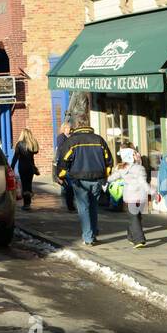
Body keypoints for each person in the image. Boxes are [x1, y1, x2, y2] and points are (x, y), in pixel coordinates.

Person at [56, 94, 114, 246]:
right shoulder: (99, 140)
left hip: (79, 179)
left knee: (84, 208)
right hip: (97, 178)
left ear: (77, 125)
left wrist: (60, 176)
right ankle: (93, 233)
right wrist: (106, 176)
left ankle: (88, 236)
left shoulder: (72, 141)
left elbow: (64, 161)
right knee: (93, 206)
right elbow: (109, 160)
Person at [107, 145, 152, 248]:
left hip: (135, 196)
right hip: (136, 196)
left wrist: (105, 180)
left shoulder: (128, 167)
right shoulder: (135, 167)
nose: (138, 154)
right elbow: (143, 183)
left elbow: (112, 178)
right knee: (135, 217)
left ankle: (131, 236)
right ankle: (139, 239)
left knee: (135, 217)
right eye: (134, 153)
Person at [11, 128, 40, 210]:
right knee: (29, 184)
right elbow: (36, 151)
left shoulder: (19, 144)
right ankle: (28, 201)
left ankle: (26, 204)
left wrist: (11, 168)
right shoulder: (32, 143)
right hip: (31, 167)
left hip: (23, 167)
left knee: (24, 185)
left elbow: (15, 158)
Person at [53, 120, 76, 213]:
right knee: (69, 186)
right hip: (63, 163)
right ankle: (70, 205)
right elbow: (62, 149)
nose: (69, 130)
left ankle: (70, 203)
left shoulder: (71, 137)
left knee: (70, 186)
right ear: (64, 129)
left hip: (71, 164)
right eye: (68, 128)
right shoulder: (61, 137)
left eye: (70, 129)